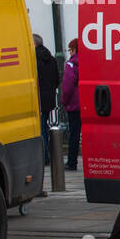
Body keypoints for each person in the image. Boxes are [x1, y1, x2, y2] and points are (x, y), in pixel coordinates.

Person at [32, 34, 58, 167]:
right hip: (50, 98)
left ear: (34, 44)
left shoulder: (34, 59)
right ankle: (52, 154)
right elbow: (56, 79)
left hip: (40, 99)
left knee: (41, 127)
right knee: (46, 125)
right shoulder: (52, 59)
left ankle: (45, 157)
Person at [60, 37, 82, 170]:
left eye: (70, 49)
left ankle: (72, 162)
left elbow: (67, 87)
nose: (69, 52)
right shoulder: (87, 63)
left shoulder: (71, 65)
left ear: (74, 49)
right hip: (88, 103)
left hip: (74, 104)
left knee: (74, 134)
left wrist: (64, 101)